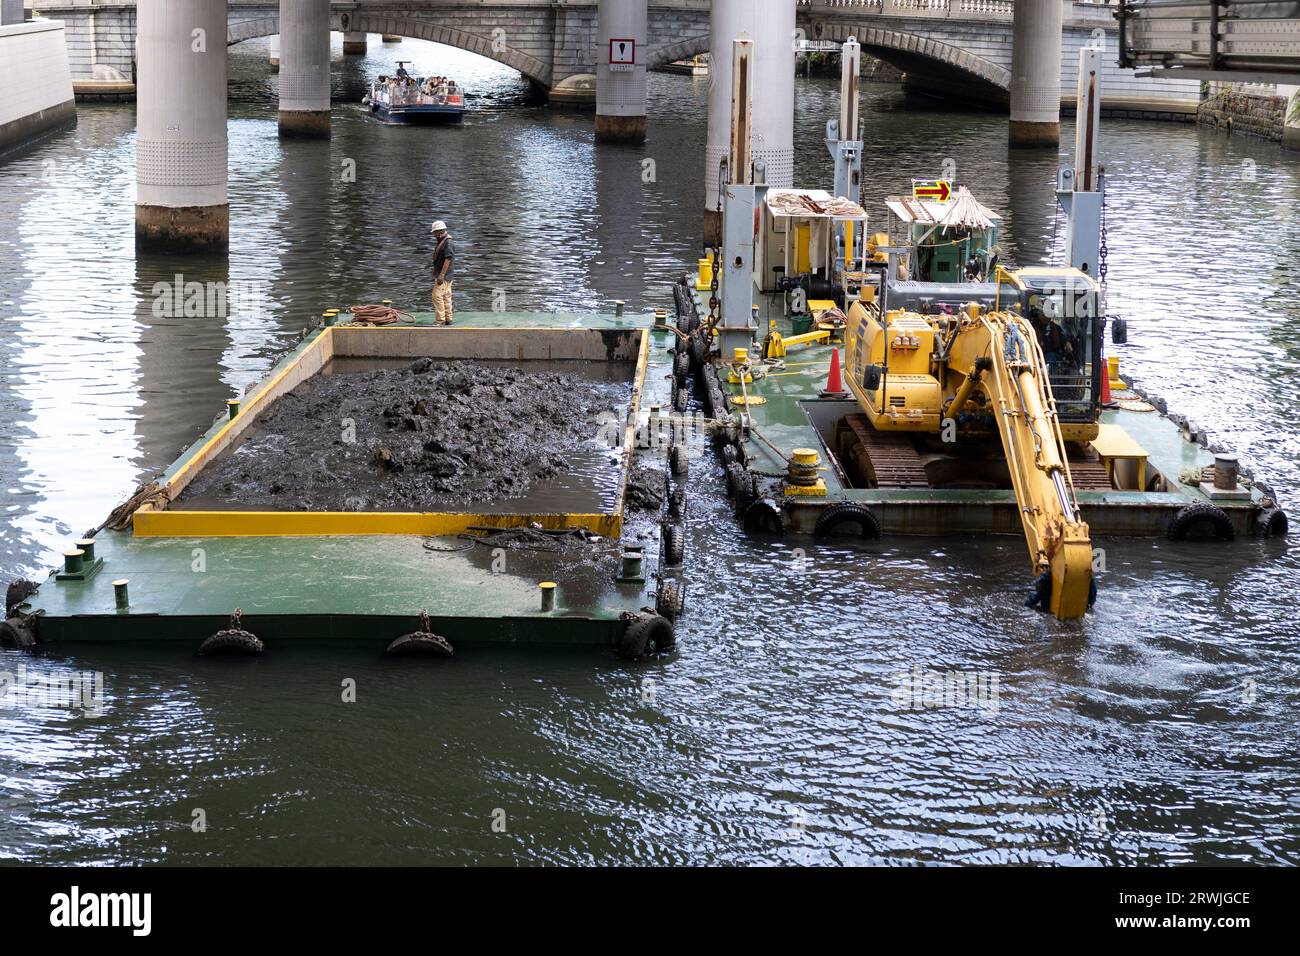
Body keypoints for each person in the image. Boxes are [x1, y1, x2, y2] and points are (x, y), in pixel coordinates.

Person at [431, 220, 455, 325]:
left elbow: (448, 259)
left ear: (440, 232)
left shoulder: (447, 242)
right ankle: (448, 319)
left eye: (435, 232)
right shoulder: (444, 241)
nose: (433, 234)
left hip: (444, 276)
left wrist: (441, 275)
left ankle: (440, 320)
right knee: (446, 297)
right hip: (448, 275)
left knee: (437, 296)